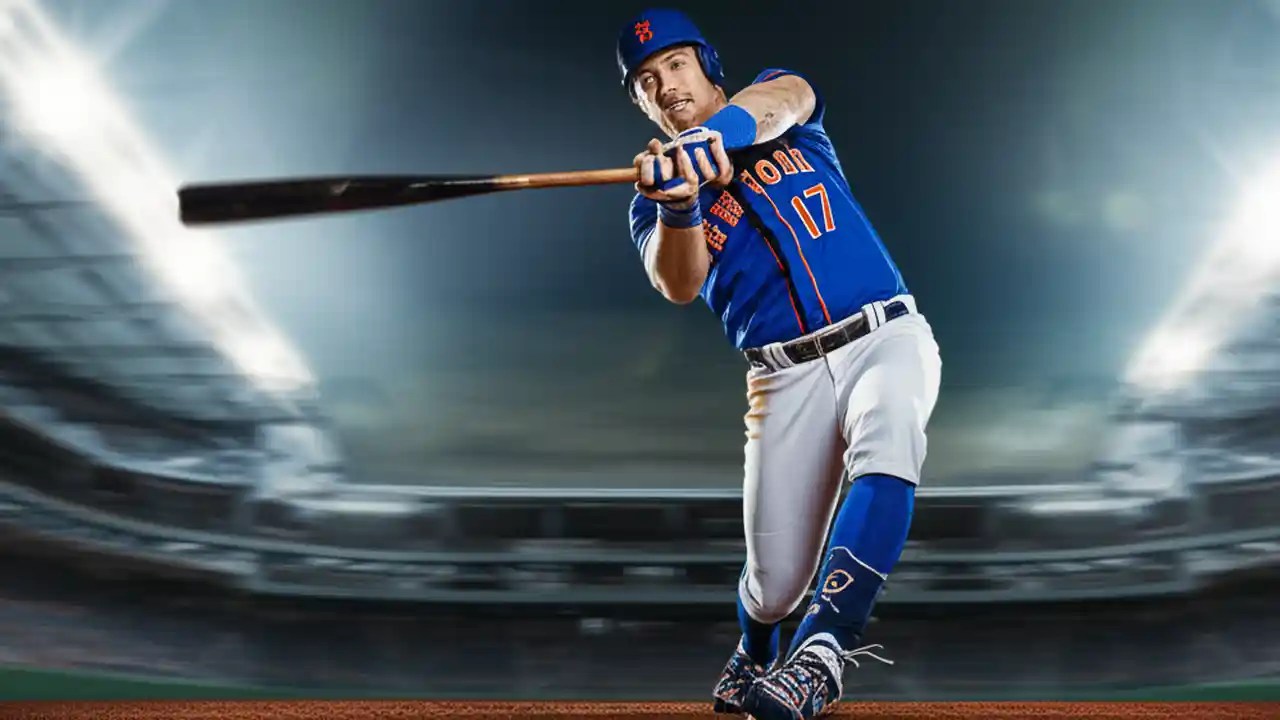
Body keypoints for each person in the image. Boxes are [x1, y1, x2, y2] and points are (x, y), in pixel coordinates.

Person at [616, 9, 944, 720]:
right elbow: (676, 282)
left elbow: (782, 101)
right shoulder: (651, 199)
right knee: (773, 586)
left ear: (706, 64)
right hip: (780, 376)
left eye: (675, 65)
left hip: (883, 334)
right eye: (647, 80)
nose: (665, 85)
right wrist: (678, 206)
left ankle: (823, 651)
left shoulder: (775, 104)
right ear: (639, 102)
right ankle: (758, 650)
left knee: (889, 431)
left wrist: (713, 137)